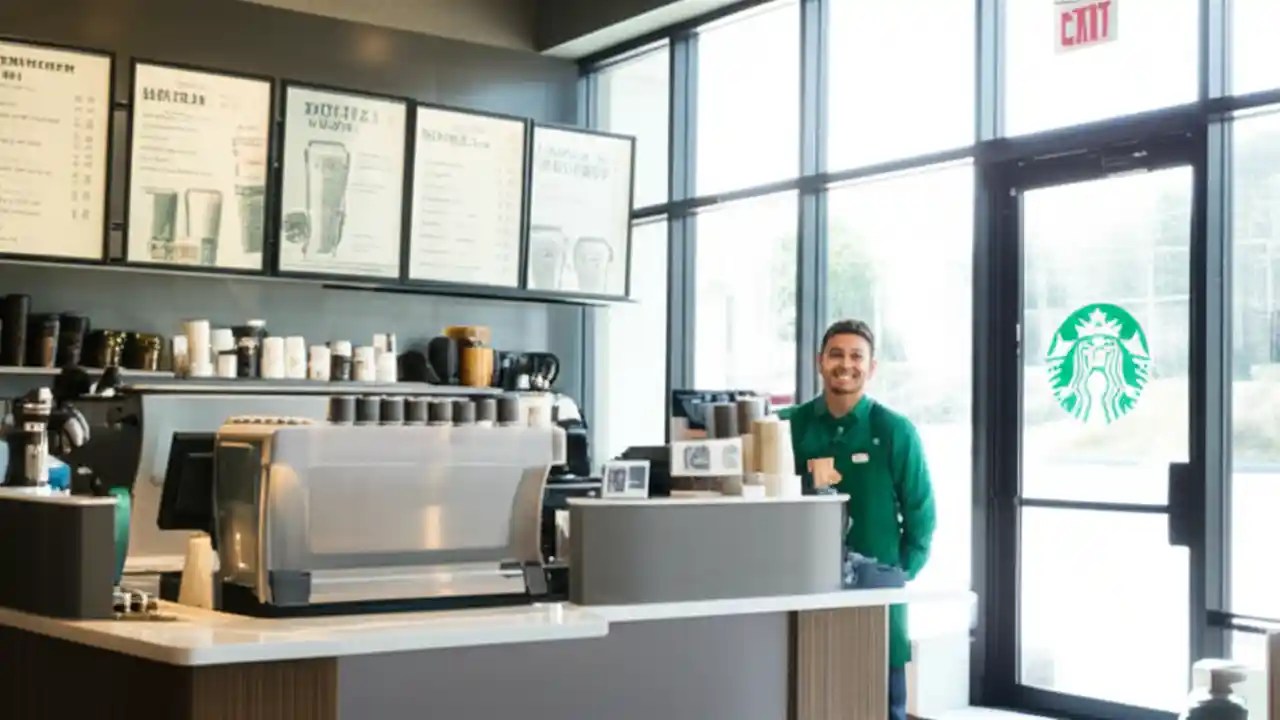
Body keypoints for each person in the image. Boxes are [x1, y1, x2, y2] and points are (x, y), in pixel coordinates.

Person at [780, 319, 936, 720]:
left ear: (871, 367)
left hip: (877, 589)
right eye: (836, 354)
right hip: (804, 586)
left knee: (882, 704)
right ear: (820, 362)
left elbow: (921, 513)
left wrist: (899, 573)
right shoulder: (789, 426)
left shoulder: (894, 430)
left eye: (856, 356)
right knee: (809, 692)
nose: (845, 364)